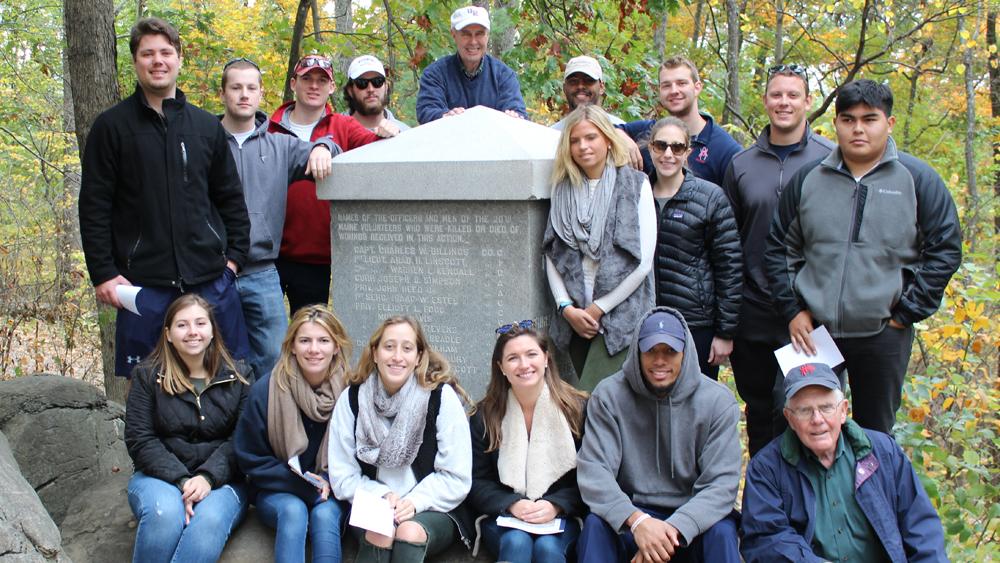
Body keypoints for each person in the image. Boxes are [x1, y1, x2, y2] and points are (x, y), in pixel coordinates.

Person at [765, 79, 962, 434]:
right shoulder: (810, 178)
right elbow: (779, 247)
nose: (858, 128)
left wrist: (906, 312)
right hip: (814, 331)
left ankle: (869, 491)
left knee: (875, 433)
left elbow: (945, 250)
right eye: (848, 118)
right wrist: (792, 310)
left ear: (889, 123)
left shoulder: (917, 179)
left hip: (883, 332)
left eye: (869, 119)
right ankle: (806, 492)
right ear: (836, 122)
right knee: (795, 423)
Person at [79, 17, 251, 378]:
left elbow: (230, 199)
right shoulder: (112, 128)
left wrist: (233, 261)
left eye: (165, 52)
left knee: (226, 380)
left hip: (210, 281)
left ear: (179, 58)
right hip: (143, 286)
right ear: (135, 61)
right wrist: (104, 274)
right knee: (147, 388)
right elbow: (94, 205)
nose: (157, 60)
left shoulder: (206, 128)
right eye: (147, 53)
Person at [722, 63, 835, 457]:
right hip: (754, 310)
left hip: (811, 315)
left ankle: (808, 506)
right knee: (759, 415)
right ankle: (764, 505)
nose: (783, 102)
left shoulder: (830, 160)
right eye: (776, 95)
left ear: (807, 101)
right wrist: (730, 314)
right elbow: (728, 244)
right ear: (766, 101)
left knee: (811, 411)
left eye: (792, 95)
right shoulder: (741, 164)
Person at [575, 307, 742, 563]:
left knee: (722, 532)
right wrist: (639, 523)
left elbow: (720, 485)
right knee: (596, 526)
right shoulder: (608, 396)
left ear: (685, 353)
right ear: (637, 351)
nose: (660, 361)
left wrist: (668, 532)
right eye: (651, 350)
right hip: (632, 515)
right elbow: (595, 472)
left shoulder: (718, 402)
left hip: (692, 517)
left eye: (670, 351)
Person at [741, 362, 947, 562]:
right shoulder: (766, 469)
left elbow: (921, 528)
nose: (817, 419)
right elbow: (765, 540)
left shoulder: (883, 452)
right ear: (790, 418)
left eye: (826, 407)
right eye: (805, 410)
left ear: (843, 411)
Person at [219, 57, 339, 380]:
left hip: (262, 274)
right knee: (217, 363)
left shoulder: (280, 146)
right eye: (236, 87)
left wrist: (323, 147)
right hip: (213, 273)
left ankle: (271, 428)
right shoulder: (208, 142)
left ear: (260, 94)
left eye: (251, 88)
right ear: (223, 94)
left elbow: (331, 149)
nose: (244, 94)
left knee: (275, 362)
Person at [328, 316, 473, 561]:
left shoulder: (440, 398)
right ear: (375, 353)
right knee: (380, 529)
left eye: (407, 348)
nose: (397, 356)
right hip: (373, 504)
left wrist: (414, 502)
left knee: (409, 531)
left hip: (432, 507)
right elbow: (342, 475)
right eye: (389, 347)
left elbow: (457, 476)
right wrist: (381, 496)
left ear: (418, 357)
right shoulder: (352, 399)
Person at [124, 294, 251, 563]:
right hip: (160, 479)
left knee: (208, 523)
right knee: (165, 515)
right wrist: (182, 480)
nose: (192, 332)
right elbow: (139, 439)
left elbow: (244, 439)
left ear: (212, 330)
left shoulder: (239, 376)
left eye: (200, 323)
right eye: (182, 325)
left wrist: (207, 477)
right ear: (168, 334)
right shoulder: (147, 376)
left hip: (223, 481)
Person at [269, 54, 397, 315]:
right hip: (269, 256)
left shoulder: (343, 125)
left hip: (317, 257)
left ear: (332, 87)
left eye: (321, 80)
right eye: (307, 79)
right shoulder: (270, 128)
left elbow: (374, 150)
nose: (314, 86)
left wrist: (388, 135)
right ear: (294, 83)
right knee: (268, 337)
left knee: (310, 335)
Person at [542, 105, 655, 392]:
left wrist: (597, 309)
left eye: (590, 137)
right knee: (595, 399)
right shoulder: (563, 188)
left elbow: (643, 263)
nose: (583, 146)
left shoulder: (636, 184)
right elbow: (552, 253)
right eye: (575, 140)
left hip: (620, 314)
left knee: (594, 399)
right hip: (576, 315)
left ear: (607, 138)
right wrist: (566, 308)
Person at [233, 305, 352, 562]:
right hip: (279, 490)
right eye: (305, 340)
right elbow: (249, 456)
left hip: (334, 488)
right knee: (293, 510)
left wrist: (330, 480)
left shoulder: (352, 392)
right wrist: (302, 485)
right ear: (292, 346)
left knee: (324, 514)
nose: (314, 349)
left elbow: (362, 453)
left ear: (336, 347)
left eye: (323, 341)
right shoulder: (267, 390)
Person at [468, 320, 589, 563]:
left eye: (531, 354)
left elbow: (592, 476)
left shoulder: (578, 409)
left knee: (547, 548)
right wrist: (512, 504)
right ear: (501, 367)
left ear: (546, 358)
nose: (524, 365)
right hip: (504, 516)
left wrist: (556, 505)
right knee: (516, 541)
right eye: (513, 358)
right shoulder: (484, 416)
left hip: (561, 517)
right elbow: (476, 481)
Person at [647, 117, 741, 380]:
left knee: (697, 405)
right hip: (645, 322)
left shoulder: (710, 197)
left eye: (677, 147)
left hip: (696, 324)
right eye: (661, 146)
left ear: (687, 152)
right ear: (651, 148)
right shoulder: (635, 193)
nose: (668, 154)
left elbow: (730, 267)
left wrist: (724, 333)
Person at [619, 56, 742, 185]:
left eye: (681, 83)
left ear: (697, 88)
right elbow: (606, 129)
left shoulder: (725, 149)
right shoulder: (647, 132)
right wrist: (622, 137)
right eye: (666, 85)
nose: (674, 91)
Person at [415, 5, 528, 124]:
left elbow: (518, 114)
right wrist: (444, 116)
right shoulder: (435, 74)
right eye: (466, 34)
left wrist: (515, 117)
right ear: (454, 35)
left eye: (479, 34)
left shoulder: (504, 76)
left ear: (487, 36)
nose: (473, 42)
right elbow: (426, 111)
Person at [551, 56, 625, 130]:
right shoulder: (552, 135)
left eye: (588, 80)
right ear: (564, 88)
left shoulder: (620, 131)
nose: (580, 86)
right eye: (573, 81)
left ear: (601, 87)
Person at [342, 54, 411, 132]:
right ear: (350, 90)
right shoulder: (335, 134)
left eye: (377, 82)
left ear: (386, 87)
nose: (370, 89)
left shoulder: (405, 133)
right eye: (362, 83)